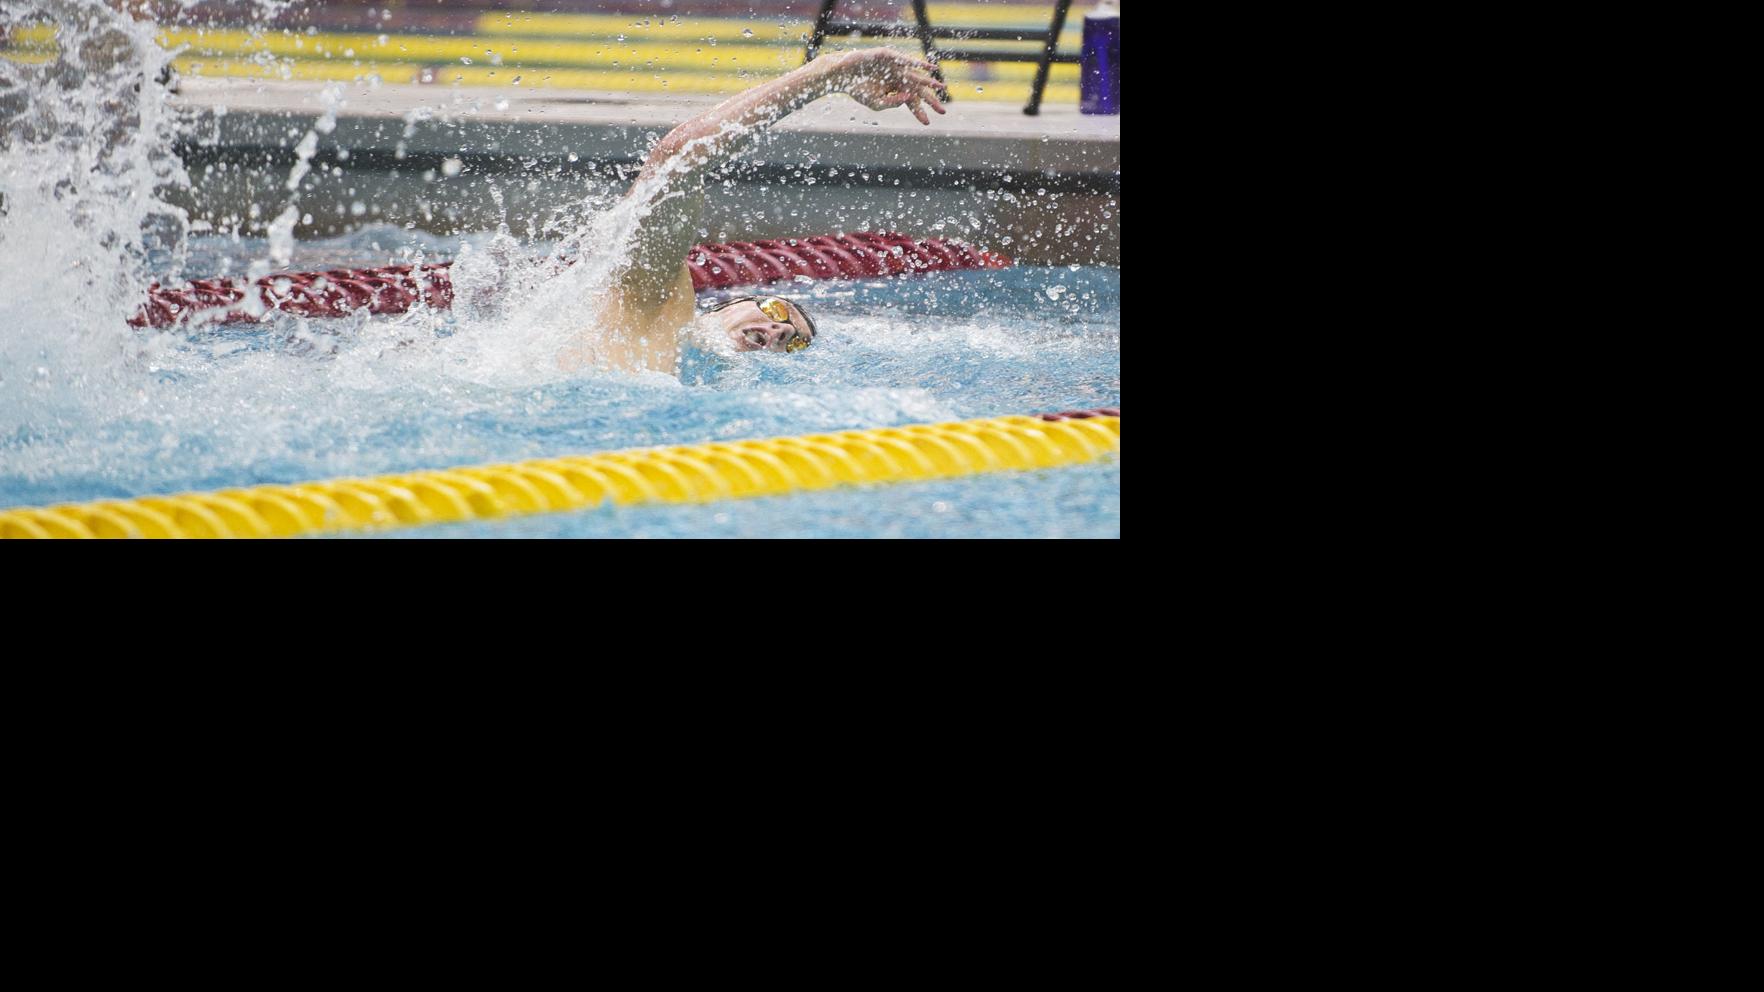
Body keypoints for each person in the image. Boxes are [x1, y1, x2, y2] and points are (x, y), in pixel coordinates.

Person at [565, 47, 946, 375]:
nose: (780, 331)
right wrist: (826, 73)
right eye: (776, 310)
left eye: (794, 343)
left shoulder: (686, 375)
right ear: (725, 306)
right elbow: (678, 157)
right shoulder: (651, 308)